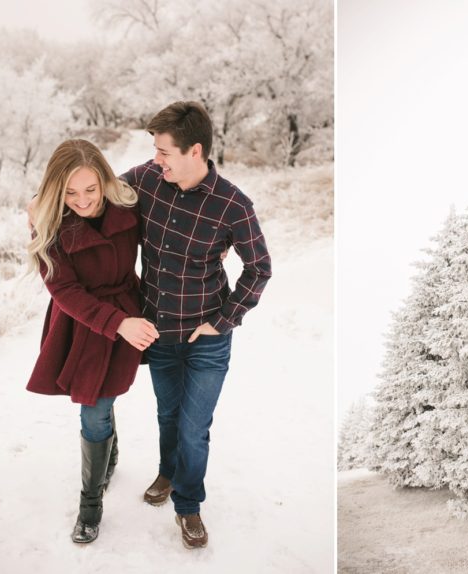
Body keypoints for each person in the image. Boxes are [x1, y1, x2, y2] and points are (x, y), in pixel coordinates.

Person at [120, 101, 272, 549]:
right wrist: (42, 202)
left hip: (207, 336)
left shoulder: (232, 204)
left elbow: (259, 267)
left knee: (193, 426)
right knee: (168, 415)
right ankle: (168, 472)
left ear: (195, 151)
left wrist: (224, 320)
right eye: (155, 150)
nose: (156, 159)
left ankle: (188, 506)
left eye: (164, 151)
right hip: (159, 330)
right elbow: (93, 191)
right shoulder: (146, 179)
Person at [26, 139, 159, 544]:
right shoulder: (49, 223)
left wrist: (215, 246)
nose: (82, 200)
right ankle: (90, 505)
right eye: (70, 192)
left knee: (104, 395)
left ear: (104, 181)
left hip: (128, 307)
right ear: (56, 190)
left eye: (90, 189)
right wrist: (118, 324)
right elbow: (64, 290)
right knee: (94, 406)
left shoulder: (128, 204)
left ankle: (108, 454)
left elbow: (172, 219)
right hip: (83, 321)